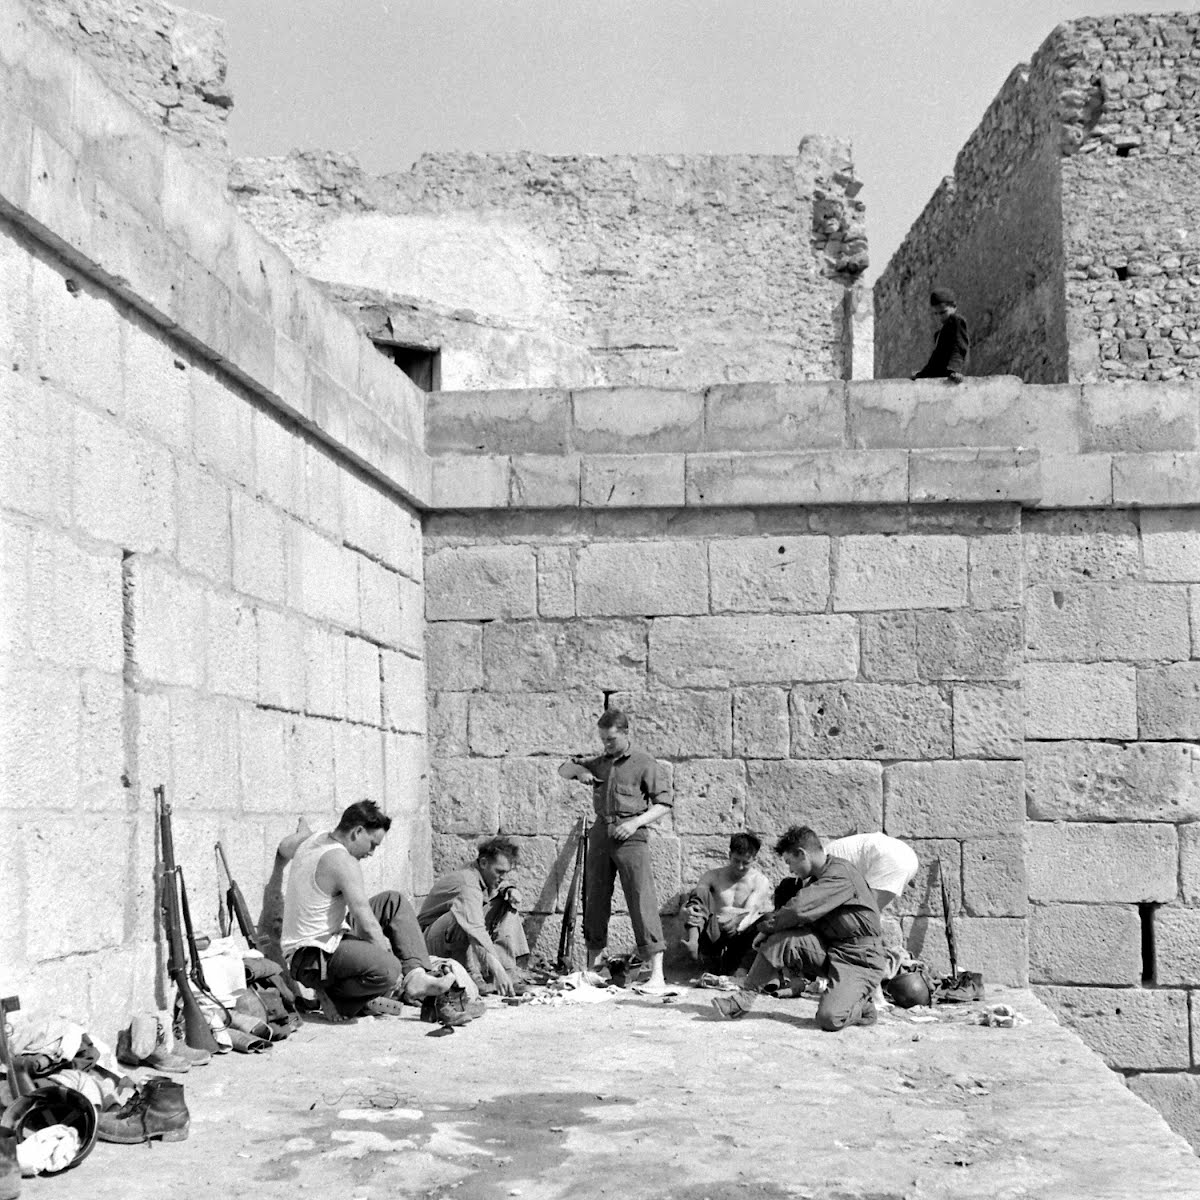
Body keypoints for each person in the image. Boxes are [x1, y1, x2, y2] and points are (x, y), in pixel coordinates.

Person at [278, 801, 455, 1022]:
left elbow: (284, 847)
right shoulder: (342, 861)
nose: (371, 852)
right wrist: (394, 971)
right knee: (388, 969)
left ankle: (418, 976)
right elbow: (368, 923)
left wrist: (303, 834)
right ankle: (337, 997)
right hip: (311, 956)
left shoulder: (315, 839)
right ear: (357, 831)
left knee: (393, 901)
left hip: (324, 939)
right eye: (372, 844)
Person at [711, 826, 886, 1032]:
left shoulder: (840, 874)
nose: (790, 870)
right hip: (832, 951)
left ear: (802, 854)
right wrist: (771, 934)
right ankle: (741, 1001)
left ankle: (862, 1008)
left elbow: (798, 909)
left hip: (860, 960)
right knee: (781, 939)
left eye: (790, 862)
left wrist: (765, 929)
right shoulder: (816, 879)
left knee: (829, 1019)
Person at [558, 709, 672, 993]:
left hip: (631, 836)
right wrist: (582, 772)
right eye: (602, 740)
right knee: (595, 899)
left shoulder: (644, 762)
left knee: (640, 898)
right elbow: (564, 769)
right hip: (600, 834)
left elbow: (664, 803)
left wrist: (634, 824)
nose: (606, 745)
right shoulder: (601, 762)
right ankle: (594, 968)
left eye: (610, 740)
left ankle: (657, 973)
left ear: (625, 733)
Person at [419, 837, 530, 997]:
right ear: (484, 863)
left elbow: (494, 892)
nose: (502, 877)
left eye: (506, 873)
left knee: (506, 902)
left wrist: (509, 890)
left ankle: (507, 973)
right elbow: (474, 927)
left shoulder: (478, 873)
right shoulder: (467, 882)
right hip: (428, 945)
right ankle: (473, 975)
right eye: (499, 872)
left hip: (447, 938)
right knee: (463, 917)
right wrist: (495, 967)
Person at [680, 832, 772, 974]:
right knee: (700, 892)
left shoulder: (760, 881)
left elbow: (748, 915)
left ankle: (740, 968)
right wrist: (687, 910)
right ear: (729, 855)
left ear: (755, 859)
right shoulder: (712, 876)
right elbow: (697, 899)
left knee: (768, 918)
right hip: (713, 935)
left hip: (739, 937)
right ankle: (693, 942)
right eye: (736, 860)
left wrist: (732, 917)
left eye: (745, 863)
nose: (740, 867)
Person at [821, 832, 919, 915]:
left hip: (891, 859)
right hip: (903, 854)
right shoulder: (827, 853)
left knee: (865, 915)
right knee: (865, 915)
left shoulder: (824, 867)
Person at [911, 287, 969, 382]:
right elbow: (935, 360)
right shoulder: (939, 334)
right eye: (936, 314)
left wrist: (955, 370)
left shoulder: (956, 321)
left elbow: (959, 346)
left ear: (954, 307)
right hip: (942, 377)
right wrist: (921, 375)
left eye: (943, 312)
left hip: (952, 375)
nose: (940, 316)